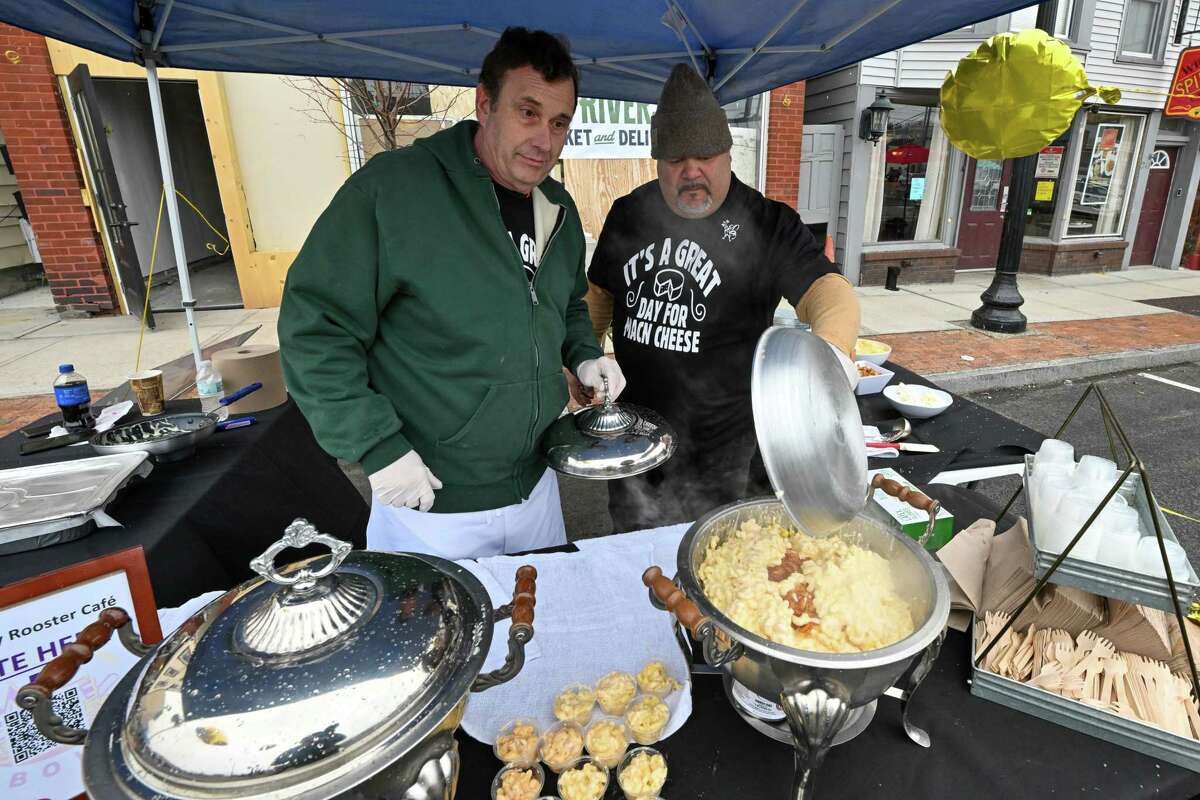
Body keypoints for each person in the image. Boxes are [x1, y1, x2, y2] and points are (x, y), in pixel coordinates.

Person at [279, 27, 626, 559]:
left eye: (559, 122)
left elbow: (567, 303)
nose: (545, 140)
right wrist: (375, 445)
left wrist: (583, 355)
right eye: (528, 113)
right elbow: (316, 328)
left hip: (537, 489)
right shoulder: (394, 190)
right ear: (484, 104)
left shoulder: (557, 206)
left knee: (541, 613)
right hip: (430, 504)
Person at [585, 64, 860, 533]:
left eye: (706, 155)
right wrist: (581, 358)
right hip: (636, 438)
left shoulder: (767, 223)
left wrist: (832, 357)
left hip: (727, 451)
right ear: (657, 160)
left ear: (728, 154)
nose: (692, 171)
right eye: (676, 158)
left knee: (719, 559)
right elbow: (598, 295)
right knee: (633, 552)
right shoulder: (629, 213)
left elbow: (828, 291)